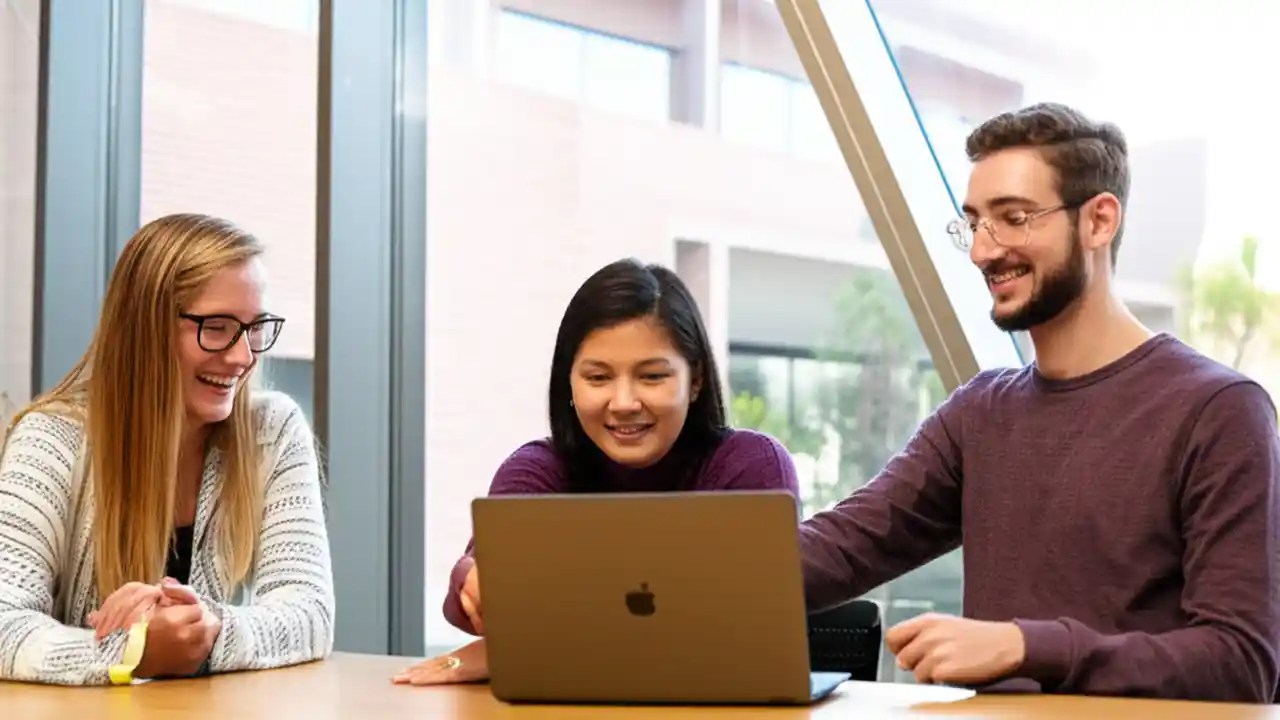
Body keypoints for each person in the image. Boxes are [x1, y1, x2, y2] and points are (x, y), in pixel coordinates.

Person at [799, 102, 1280, 702]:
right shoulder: (980, 413)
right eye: (974, 223)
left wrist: (1028, 647)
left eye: (1014, 218)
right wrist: (679, 570)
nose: (982, 251)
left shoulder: (1221, 410)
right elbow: (843, 546)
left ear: (1099, 221)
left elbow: (1240, 662)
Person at [393, 258, 801, 686]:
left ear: (695, 380)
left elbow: (734, 629)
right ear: (569, 381)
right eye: (598, 377)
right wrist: (476, 584)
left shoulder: (751, 467)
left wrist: (532, 650)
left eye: (652, 376)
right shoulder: (538, 471)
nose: (623, 401)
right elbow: (481, 596)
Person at [0, 213, 334, 685]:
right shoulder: (51, 439)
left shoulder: (272, 430)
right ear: (145, 329)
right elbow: (4, 623)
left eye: (254, 328)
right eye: (216, 327)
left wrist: (203, 627)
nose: (243, 357)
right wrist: (132, 651)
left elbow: (310, 612)